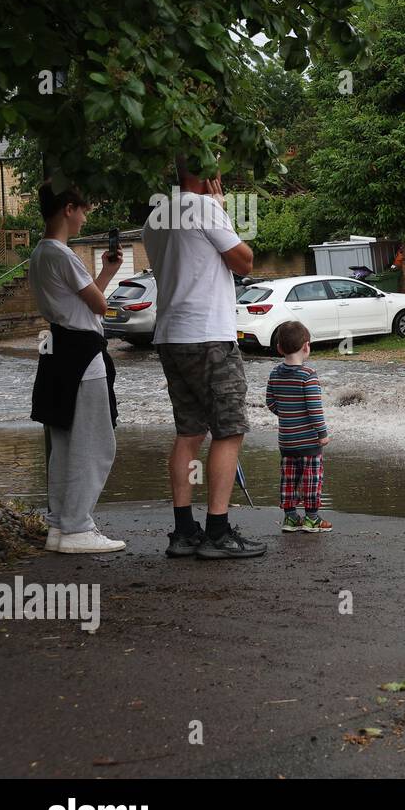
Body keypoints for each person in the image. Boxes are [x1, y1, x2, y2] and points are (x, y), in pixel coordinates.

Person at [142, 158, 266, 560]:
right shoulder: (206, 207)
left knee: (189, 432)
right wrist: (224, 209)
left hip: (170, 336)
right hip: (209, 335)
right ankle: (217, 531)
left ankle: (183, 532)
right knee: (229, 431)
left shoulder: (156, 215)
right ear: (205, 175)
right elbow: (244, 261)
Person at [28, 180, 125, 553]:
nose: (85, 218)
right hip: (83, 355)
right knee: (95, 444)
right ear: (68, 208)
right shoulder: (62, 254)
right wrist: (103, 282)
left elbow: (83, 302)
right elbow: (100, 307)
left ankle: (61, 525)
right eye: (83, 210)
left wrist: (105, 274)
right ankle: (77, 527)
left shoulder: (40, 254)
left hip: (58, 350)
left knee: (66, 444)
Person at [265, 321, 332, 534]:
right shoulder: (308, 375)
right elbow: (314, 408)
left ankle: (291, 518)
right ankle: (312, 519)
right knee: (312, 479)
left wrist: (287, 415)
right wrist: (322, 433)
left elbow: (270, 402)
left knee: (289, 479)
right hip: (308, 442)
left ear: (279, 348)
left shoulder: (275, 374)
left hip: (286, 441)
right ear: (306, 347)